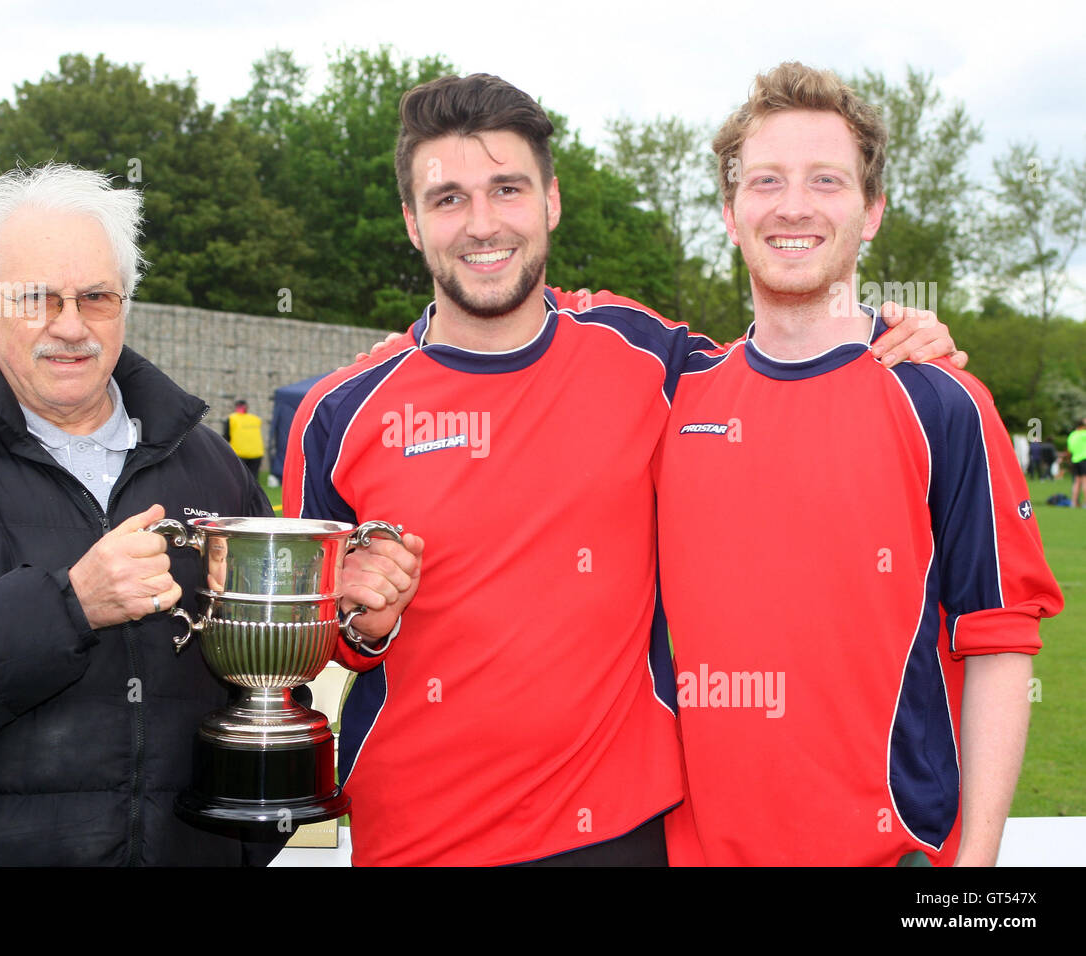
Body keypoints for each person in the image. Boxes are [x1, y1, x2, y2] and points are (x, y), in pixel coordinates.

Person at [283, 74, 962, 866]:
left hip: (619, 833)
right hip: (415, 838)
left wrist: (892, 328)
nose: (482, 224)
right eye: (447, 199)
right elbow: (297, 645)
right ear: (410, 221)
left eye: (508, 189)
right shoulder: (338, 416)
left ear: (551, 203)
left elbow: (786, 359)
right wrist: (362, 622)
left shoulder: (647, 358)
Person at [0, 163, 386, 866]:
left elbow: (260, 679)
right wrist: (67, 608)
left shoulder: (211, 467)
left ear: (124, 306)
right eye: (37, 297)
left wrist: (345, 616)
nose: (70, 325)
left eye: (96, 297)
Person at [654, 63, 1063, 866]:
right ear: (731, 215)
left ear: (871, 212)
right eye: (765, 180)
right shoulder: (673, 398)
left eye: (827, 180)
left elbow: (1000, 643)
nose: (794, 205)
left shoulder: (944, 403)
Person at [222, 399, 265, 483]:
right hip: (256, 453)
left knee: (239, 479)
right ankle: (254, 494)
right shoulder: (255, 419)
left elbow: (226, 436)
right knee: (253, 479)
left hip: (239, 453)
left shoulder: (231, 419)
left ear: (236, 407)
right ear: (247, 408)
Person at [1069, 418, 1086, 507]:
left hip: (1075, 460)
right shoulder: (1084, 434)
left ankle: (1073, 502)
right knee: (1084, 482)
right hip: (1084, 459)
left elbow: (1070, 449)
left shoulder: (1072, 435)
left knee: (1076, 482)